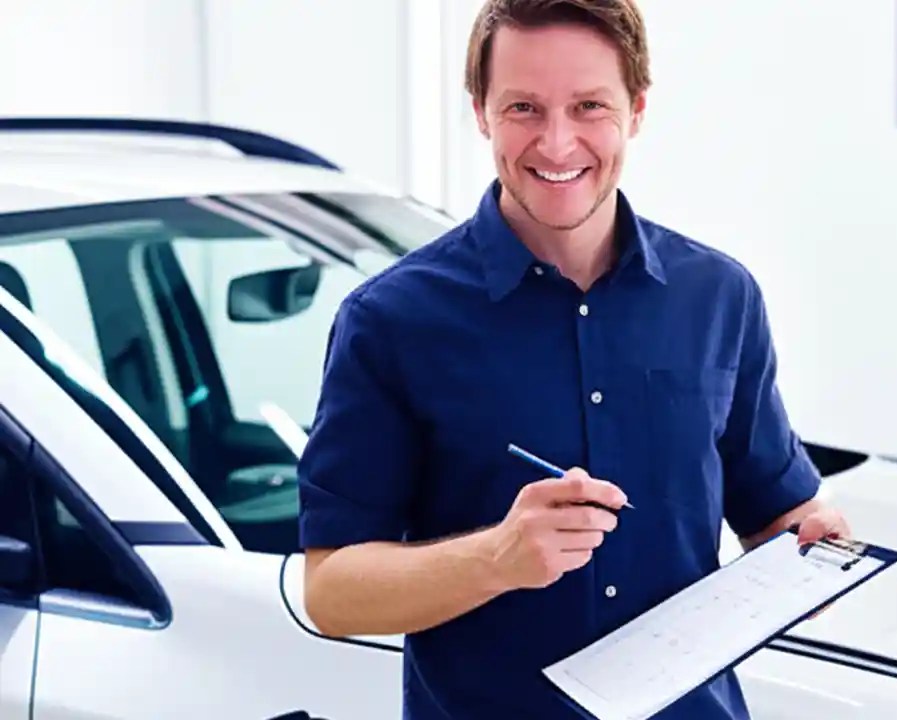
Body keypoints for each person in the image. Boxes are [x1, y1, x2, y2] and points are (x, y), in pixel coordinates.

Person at [297, 0, 853, 717]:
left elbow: (780, 516)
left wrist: (815, 551)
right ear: (480, 113)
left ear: (637, 109)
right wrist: (496, 559)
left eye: (589, 106)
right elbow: (331, 593)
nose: (557, 144)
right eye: (524, 107)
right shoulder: (390, 321)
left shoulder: (719, 296)